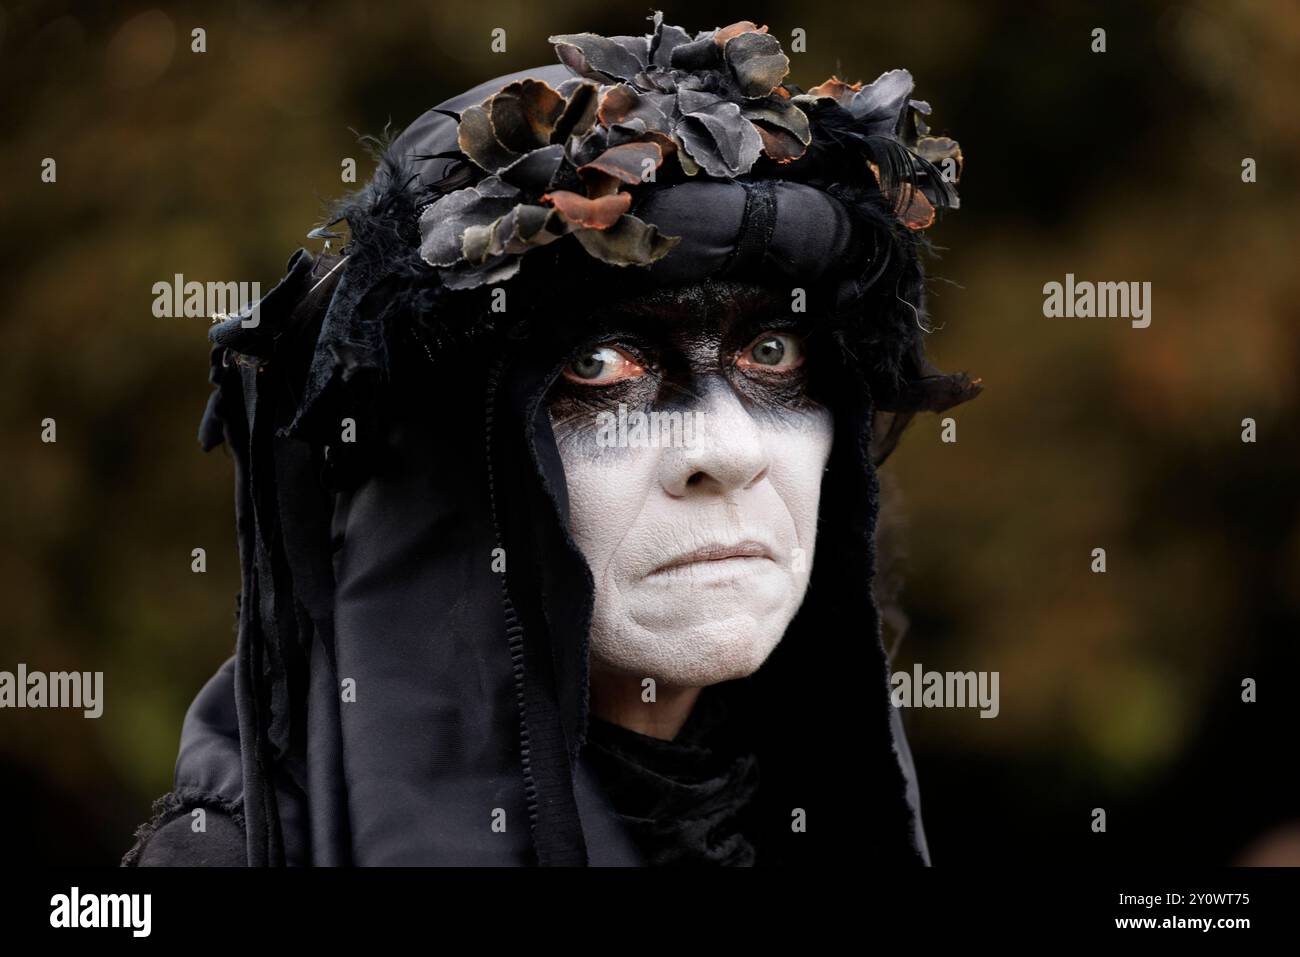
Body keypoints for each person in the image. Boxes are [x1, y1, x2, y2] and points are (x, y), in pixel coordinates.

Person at [123, 12, 981, 867]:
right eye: (600, 365)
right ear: (446, 460)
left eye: (772, 354)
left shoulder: (825, 819)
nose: (729, 450)